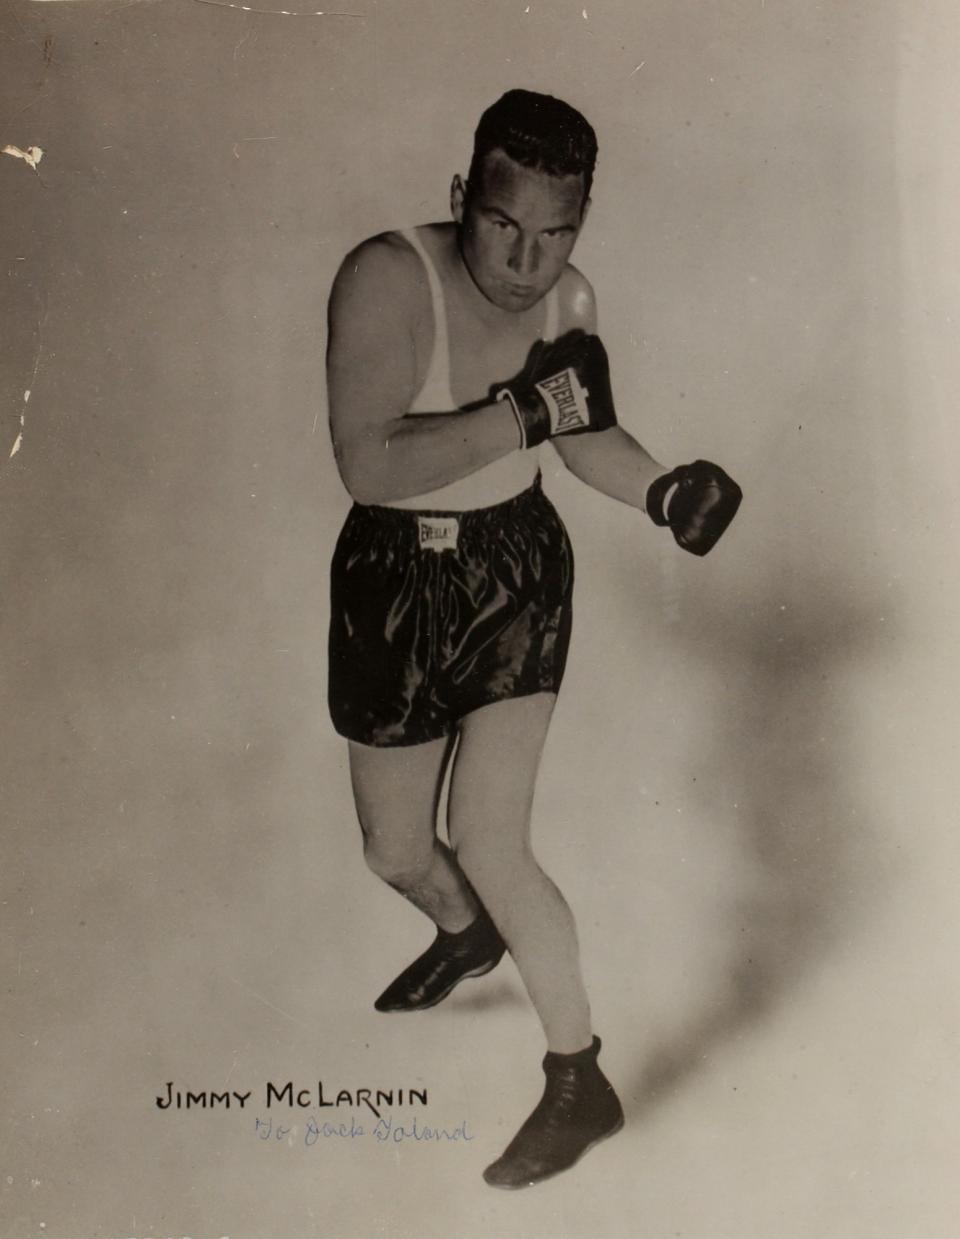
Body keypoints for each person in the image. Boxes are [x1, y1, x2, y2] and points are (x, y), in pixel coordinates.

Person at [325, 89, 741, 1190]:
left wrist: (662, 489)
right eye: (505, 224)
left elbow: (582, 434)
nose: (526, 259)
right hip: (393, 576)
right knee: (397, 851)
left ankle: (577, 1077)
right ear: (466, 195)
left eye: (556, 233)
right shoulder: (385, 278)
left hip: (515, 572)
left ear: (580, 226)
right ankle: (466, 932)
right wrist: (524, 414)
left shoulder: (570, 296)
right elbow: (371, 465)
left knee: (495, 837)